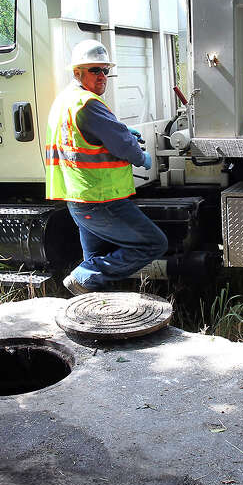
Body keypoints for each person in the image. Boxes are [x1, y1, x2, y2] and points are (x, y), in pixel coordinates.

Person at [44, 40, 167, 294]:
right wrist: (140, 156)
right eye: (94, 70)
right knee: (153, 243)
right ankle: (84, 277)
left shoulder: (65, 101)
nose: (102, 76)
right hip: (102, 199)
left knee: (96, 261)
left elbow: (93, 136)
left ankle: (94, 313)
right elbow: (122, 144)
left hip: (81, 198)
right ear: (77, 72)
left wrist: (120, 132)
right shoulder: (87, 104)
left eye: (105, 70)